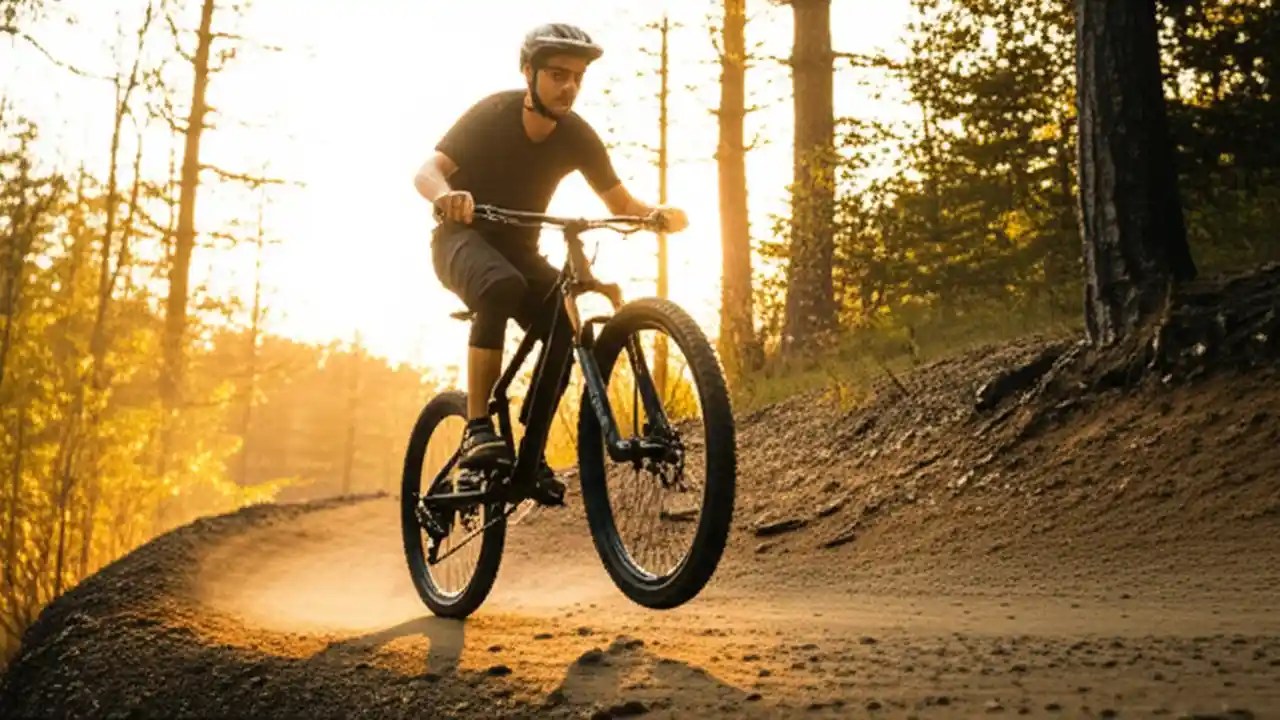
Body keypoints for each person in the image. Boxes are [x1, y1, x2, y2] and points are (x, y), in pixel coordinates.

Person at [413, 22, 688, 506]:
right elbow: (426, 171)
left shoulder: (577, 136)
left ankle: (530, 452)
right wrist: (448, 195)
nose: (569, 87)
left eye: (577, 77)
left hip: (520, 251)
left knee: (566, 323)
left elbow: (620, 202)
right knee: (501, 286)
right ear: (529, 73)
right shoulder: (492, 115)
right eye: (558, 74)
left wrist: (657, 215)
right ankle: (478, 426)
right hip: (462, 239)